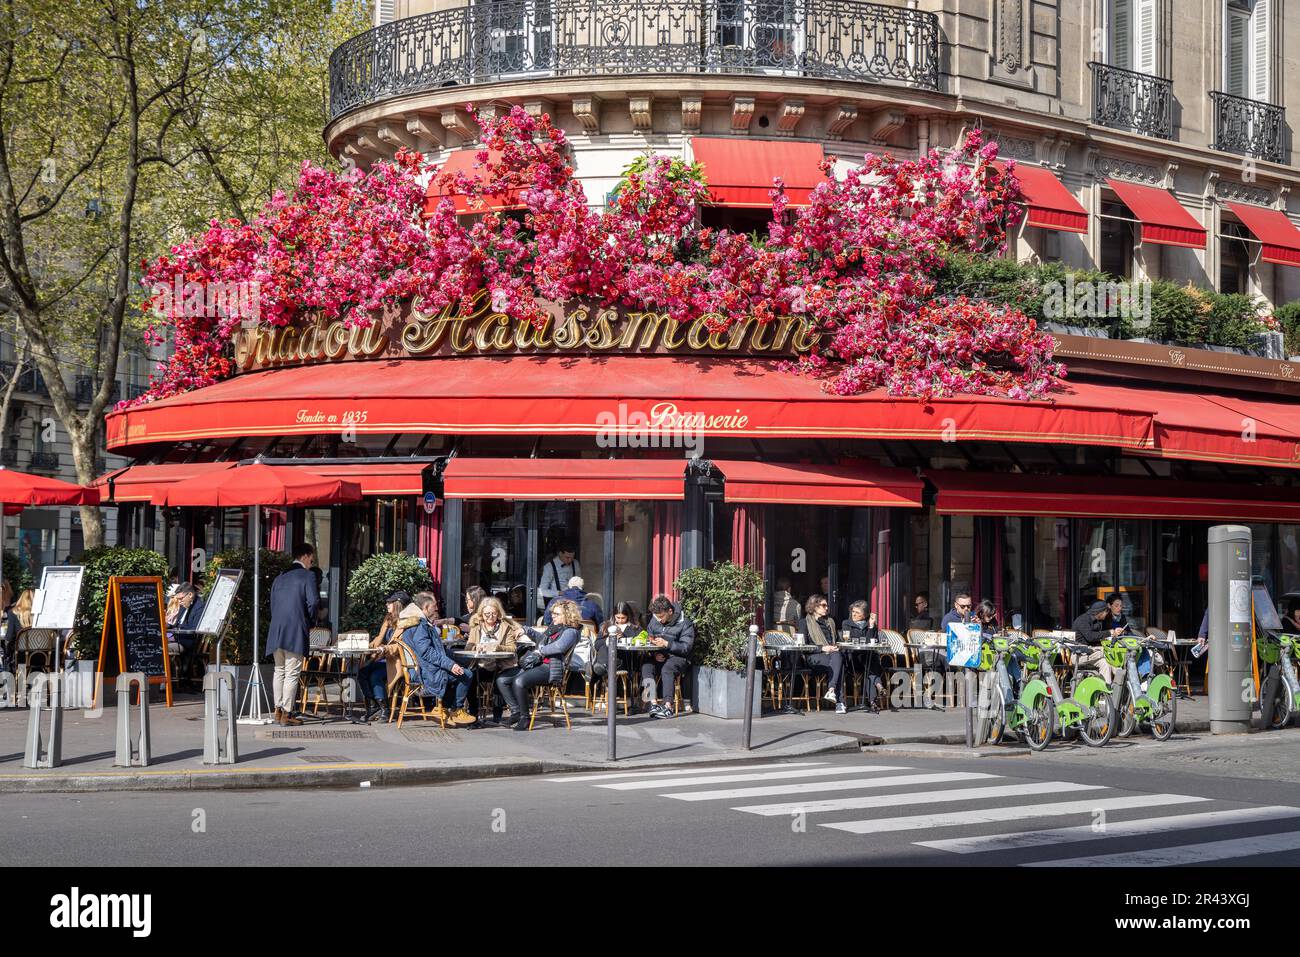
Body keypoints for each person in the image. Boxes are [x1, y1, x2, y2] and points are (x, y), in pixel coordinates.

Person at [497, 598, 581, 730]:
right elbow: (541, 640)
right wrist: (526, 630)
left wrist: (539, 652)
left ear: (567, 615)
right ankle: (516, 712)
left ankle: (525, 718)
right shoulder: (554, 628)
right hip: (538, 665)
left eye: (557, 614)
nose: (553, 616)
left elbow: (559, 647)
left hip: (551, 668)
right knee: (502, 679)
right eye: (553, 613)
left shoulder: (571, 631)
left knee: (519, 681)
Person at [403, 591, 476, 727]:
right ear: (425, 608)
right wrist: (450, 665)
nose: (436, 608)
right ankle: (456, 710)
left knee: (460, 669)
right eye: (434, 606)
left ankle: (441, 709)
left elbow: (434, 651)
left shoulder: (414, 622)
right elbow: (427, 652)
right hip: (427, 672)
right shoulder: (421, 626)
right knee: (467, 674)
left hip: (423, 668)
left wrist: (457, 656)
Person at [265, 543, 319, 726]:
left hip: (276, 630)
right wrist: (310, 622)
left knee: (278, 670)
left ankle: (277, 711)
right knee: (292, 672)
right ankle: (288, 713)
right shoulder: (307, 575)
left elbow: (272, 604)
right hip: (295, 629)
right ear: (305, 556)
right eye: (311, 558)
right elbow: (313, 602)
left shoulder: (280, 577)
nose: (312, 562)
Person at [464, 595, 525, 723]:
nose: (490, 617)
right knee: (469, 677)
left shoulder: (506, 627)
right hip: (481, 665)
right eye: (487, 614)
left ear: (498, 613)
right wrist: (476, 647)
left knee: (499, 679)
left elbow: (512, 648)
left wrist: (497, 647)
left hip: (500, 665)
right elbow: (468, 647)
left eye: (493, 613)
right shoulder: (476, 627)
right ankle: (473, 714)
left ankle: (497, 716)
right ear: (481, 614)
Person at [359, 590, 411, 722]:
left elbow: (400, 646)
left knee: (375, 675)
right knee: (362, 672)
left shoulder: (407, 622)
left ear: (398, 604)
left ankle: (385, 709)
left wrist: (384, 648)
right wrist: (365, 645)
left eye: (390, 602)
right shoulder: (388, 619)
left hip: (399, 662)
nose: (386, 604)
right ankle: (373, 706)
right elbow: (379, 638)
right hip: (385, 658)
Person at [641, 594, 695, 719]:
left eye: (662, 616)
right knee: (646, 666)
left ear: (670, 611)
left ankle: (668, 706)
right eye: (657, 617)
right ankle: (653, 703)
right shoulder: (655, 619)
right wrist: (655, 653)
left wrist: (667, 644)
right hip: (660, 655)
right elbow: (650, 637)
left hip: (679, 657)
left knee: (667, 669)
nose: (659, 620)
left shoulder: (685, 623)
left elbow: (686, 647)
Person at [799, 593, 847, 713]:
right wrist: (822, 648)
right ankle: (840, 702)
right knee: (838, 662)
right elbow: (803, 647)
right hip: (813, 657)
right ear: (815, 606)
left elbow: (837, 641)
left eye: (827, 606)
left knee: (837, 657)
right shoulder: (804, 622)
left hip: (832, 656)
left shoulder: (830, 622)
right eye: (823, 605)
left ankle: (831, 690)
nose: (826, 608)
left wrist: (837, 647)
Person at [593, 601, 643, 687]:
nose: (620, 620)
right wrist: (609, 640)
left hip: (624, 659)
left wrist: (622, 637)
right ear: (614, 616)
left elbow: (637, 643)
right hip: (607, 658)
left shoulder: (635, 628)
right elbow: (597, 645)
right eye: (618, 617)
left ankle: (602, 667)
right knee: (606, 645)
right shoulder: (606, 625)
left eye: (623, 618)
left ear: (628, 616)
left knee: (610, 646)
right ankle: (603, 665)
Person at [844, 600, 882, 712]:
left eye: (857, 612)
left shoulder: (870, 625)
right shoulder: (846, 623)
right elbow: (850, 640)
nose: (853, 614)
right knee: (870, 661)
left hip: (867, 660)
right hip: (853, 660)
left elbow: (873, 641)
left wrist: (871, 626)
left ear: (865, 615)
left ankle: (872, 702)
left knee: (869, 665)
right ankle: (879, 685)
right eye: (853, 612)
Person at [1071, 599, 1114, 683]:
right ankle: (1120, 673)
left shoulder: (1097, 621)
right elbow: (1090, 636)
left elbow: (1097, 636)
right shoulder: (1082, 620)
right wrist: (1109, 633)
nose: (1107, 613)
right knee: (1109, 652)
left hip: (1092, 654)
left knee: (1105, 664)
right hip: (1079, 655)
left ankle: (1106, 692)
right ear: (1100, 612)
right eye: (1106, 611)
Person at [537, 545, 579, 612]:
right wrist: (560, 593)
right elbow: (543, 591)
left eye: (572, 557)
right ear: (560, 553)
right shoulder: (549, 567)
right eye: (567, 557)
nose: (570, 560)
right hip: (557, 606)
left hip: (573, 604)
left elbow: (579, 582)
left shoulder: (575, 563)